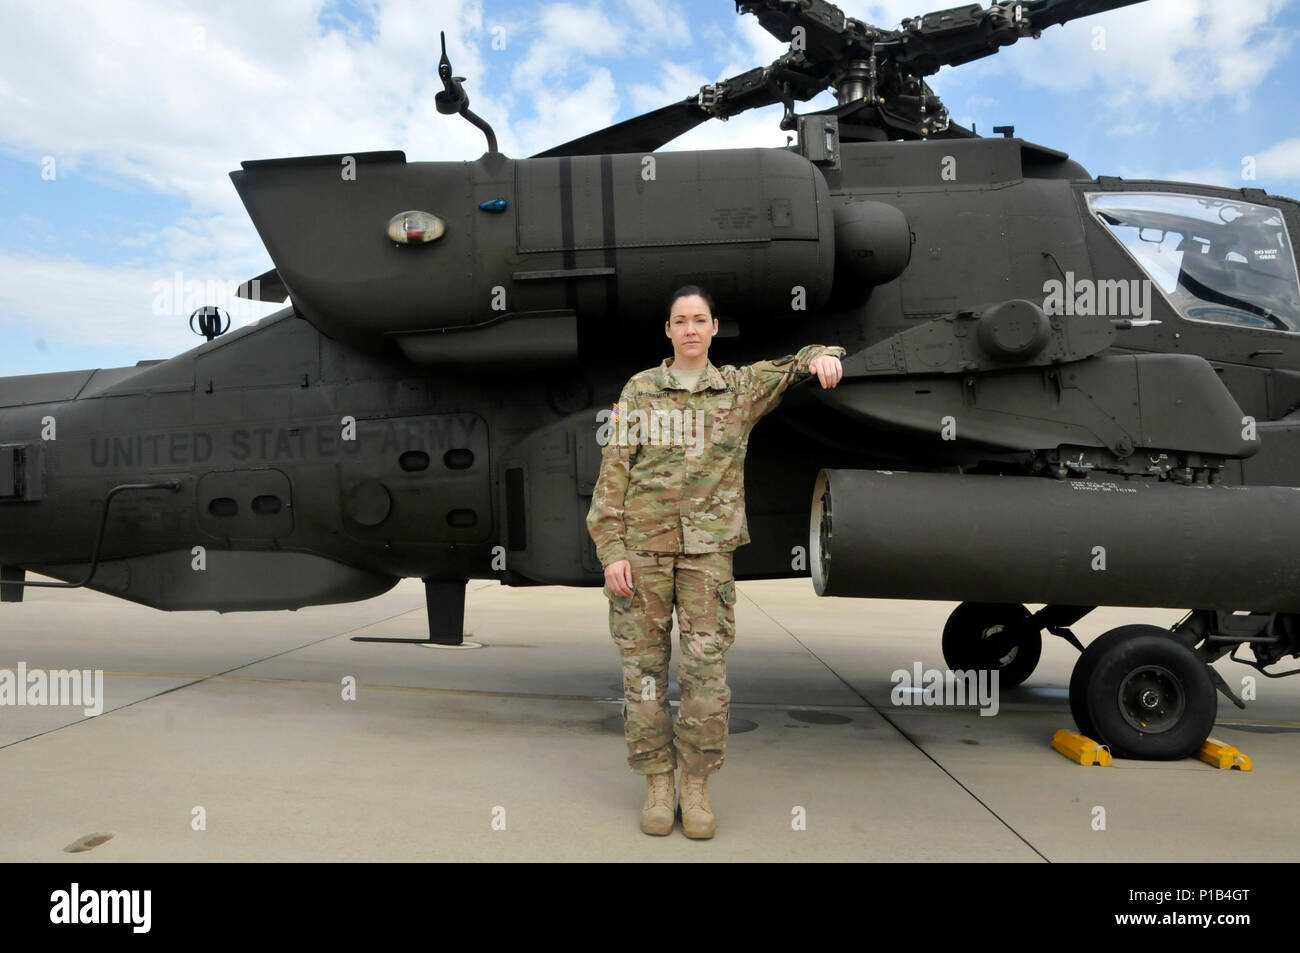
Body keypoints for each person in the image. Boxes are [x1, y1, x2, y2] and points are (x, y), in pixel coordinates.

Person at [586, 285, 845, 838]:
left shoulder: (739, 388)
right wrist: (611, 552)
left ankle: (696, 786)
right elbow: (614, 475)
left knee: (706, 676)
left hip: (708, 558)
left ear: (714, 327)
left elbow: (799, 362)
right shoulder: (639, 390)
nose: (690, 329)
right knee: (644, 678)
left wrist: (825, 357)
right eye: (679, 320)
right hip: (643, 554)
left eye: (699, 320)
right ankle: (658, 783)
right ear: (668, 331)